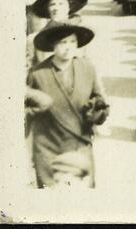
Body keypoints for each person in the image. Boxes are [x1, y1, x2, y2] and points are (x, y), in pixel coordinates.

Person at [26, 22, 106, 189]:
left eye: (72, 42)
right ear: (53, 45)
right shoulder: (38, 74)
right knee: (50, 203)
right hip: (48, 147)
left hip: (79, 144)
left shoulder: (87, 68)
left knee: (82, 202)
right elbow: (27, 112)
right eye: (63, 43)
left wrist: (97, 113)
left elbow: (100, 101)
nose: (68, 47)